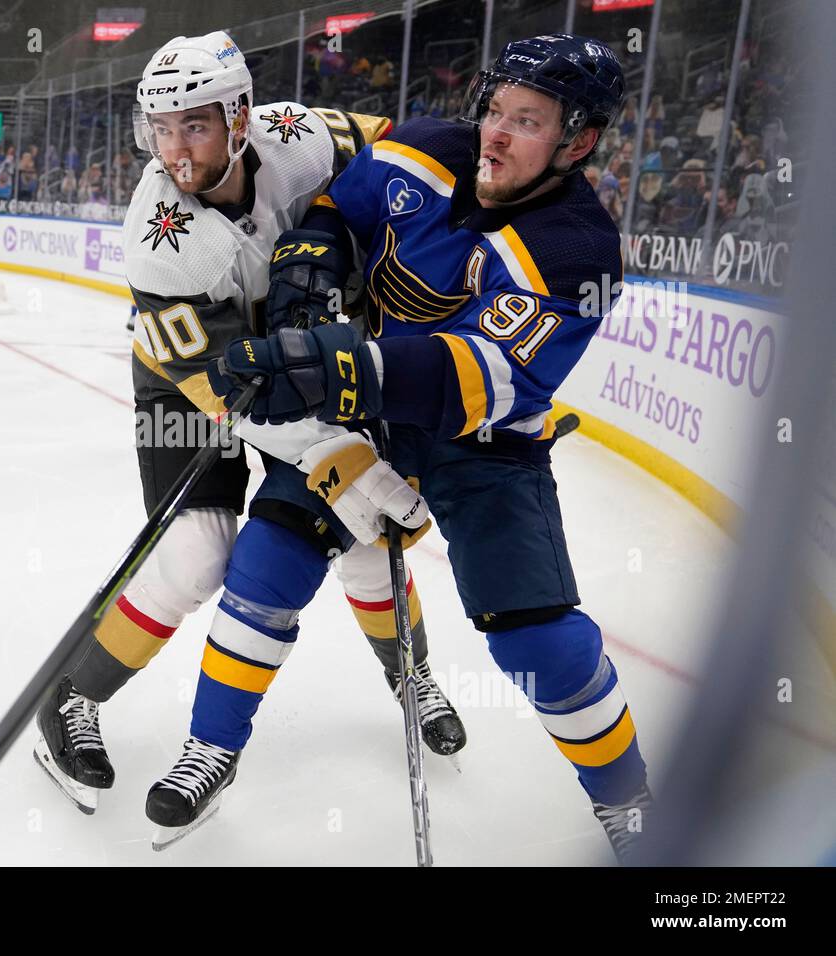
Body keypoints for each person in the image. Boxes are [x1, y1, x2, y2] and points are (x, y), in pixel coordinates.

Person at [204, 34, 654, 863]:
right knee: (270, 554)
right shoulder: (421, 143)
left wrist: (332, 367)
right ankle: (211, 749)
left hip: (487, 447)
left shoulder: (577, 251)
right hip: (370, 409)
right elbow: (345, 206)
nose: (496, 132)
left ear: (579, 141)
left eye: (527, 121)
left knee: (539, 641)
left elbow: (472, 377)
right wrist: (312, 258)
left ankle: (631, 807)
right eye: (495, 110)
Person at [32, 31, 462, 821]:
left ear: (240, 118)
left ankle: (413, 672)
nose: (175, 149)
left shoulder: (297, 136)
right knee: (197, 552)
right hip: (192, 386)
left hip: (312, 355)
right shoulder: (159, 241)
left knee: (367, 541)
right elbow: (225, 391)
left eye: (193, 124)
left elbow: (405, 154)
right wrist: (341, 456)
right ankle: (69, 696)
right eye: (161, 128)